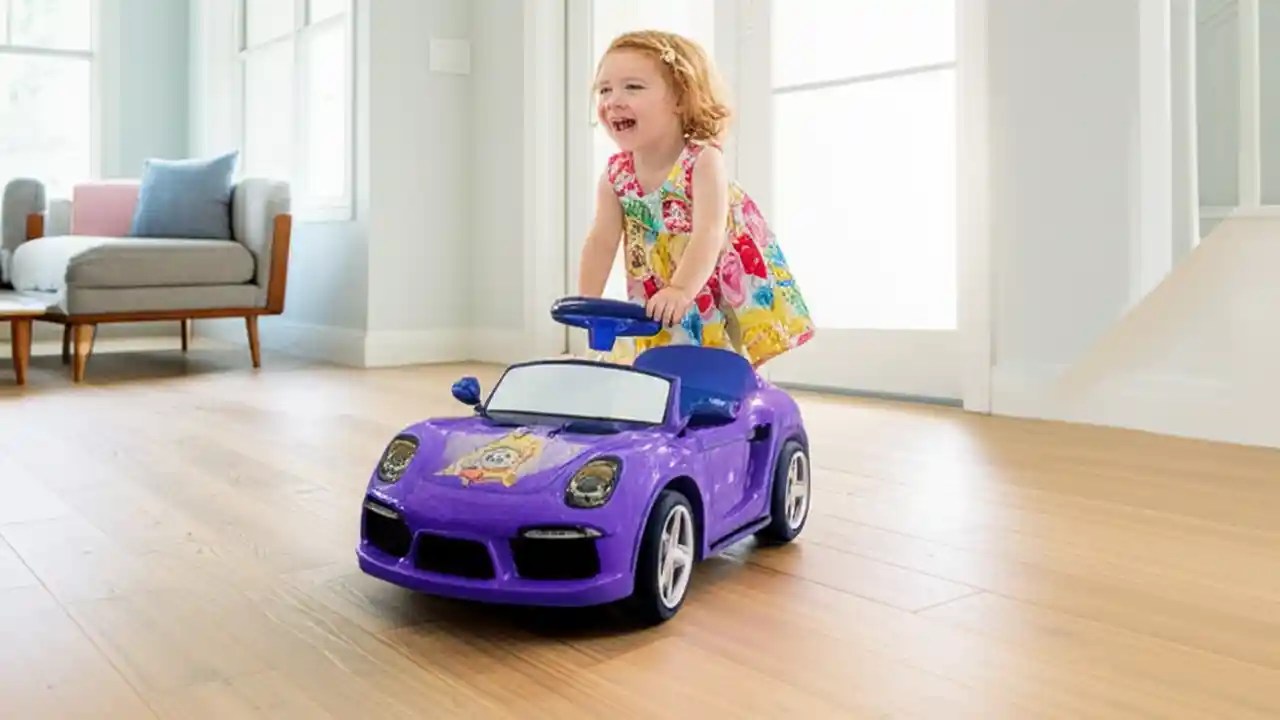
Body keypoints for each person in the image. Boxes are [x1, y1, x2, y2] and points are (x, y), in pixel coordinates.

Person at [576, 29, 814, 368]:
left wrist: (681, 289)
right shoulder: (616, 175)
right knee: (665, 336)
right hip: (663, 268)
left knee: (726, 334)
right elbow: (601, 240)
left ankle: (740, 381)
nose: (612, 100)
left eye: (633, 87)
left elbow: (709, 233)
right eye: (604, 89)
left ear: (679, 98)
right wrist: (588, 301)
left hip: (720, 264)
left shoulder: (701, 160)